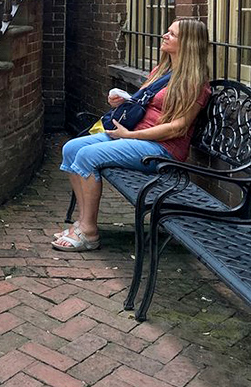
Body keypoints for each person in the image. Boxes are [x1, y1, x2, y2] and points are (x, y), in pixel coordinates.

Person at [52, 18, 210, 251]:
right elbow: (143, 104)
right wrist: (120, 100)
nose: (165, 36)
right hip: (135, 135)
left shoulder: (195, 82)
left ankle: (89, 231)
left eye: (172, 34)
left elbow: (178, 127)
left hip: (161, 148)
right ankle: (82, 220)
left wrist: (130, 136)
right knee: (71, 148)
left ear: (189, 43)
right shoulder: (162, 71)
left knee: (87, 156)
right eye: (167, 31)